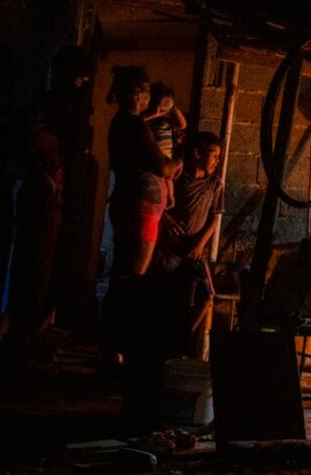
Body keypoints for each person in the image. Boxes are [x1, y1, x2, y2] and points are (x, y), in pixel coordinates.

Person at [0, 45, 94, 366]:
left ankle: (28, 330)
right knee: (36, 260)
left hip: (55, 194)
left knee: (46, 261)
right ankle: (22, 335)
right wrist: (43, 175)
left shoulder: (63, 105)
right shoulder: (48, 104)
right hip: (44, 195)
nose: (82, 81)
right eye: (79, 75)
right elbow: (30, 134)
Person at [99, 66, 181, 404]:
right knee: (132, 278)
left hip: (133, 201)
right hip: (141, 204)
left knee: (124, 275)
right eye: (144, 92)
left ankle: (113, 350)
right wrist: (179, 161)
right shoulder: (131, 125)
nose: (147, 99)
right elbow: (161, 167)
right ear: (136, 93)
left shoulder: (128, 123)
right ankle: (116, 353)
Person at [153, 131, 224, 358]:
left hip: (194, 251)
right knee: (165, 296)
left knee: (207, 294)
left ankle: (184, 337)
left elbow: (215, 219)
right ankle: (162, 346)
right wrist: (166, 218)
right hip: (170, 249)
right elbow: (160, 204)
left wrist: (200, 244)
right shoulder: (178, 178)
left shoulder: (215, 184)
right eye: (213, 155)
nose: (217, 161)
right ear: (197, 154)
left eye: (218, 157)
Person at [141, 82, 187, 209]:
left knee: (169, 177)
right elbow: (138, 121)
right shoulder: (148, 117)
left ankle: (170, 197)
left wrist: (174, 109)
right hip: (154, 151)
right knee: (162, 172)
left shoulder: (168, 119)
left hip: (167, 153)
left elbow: (183, 125)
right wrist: (154, 114)